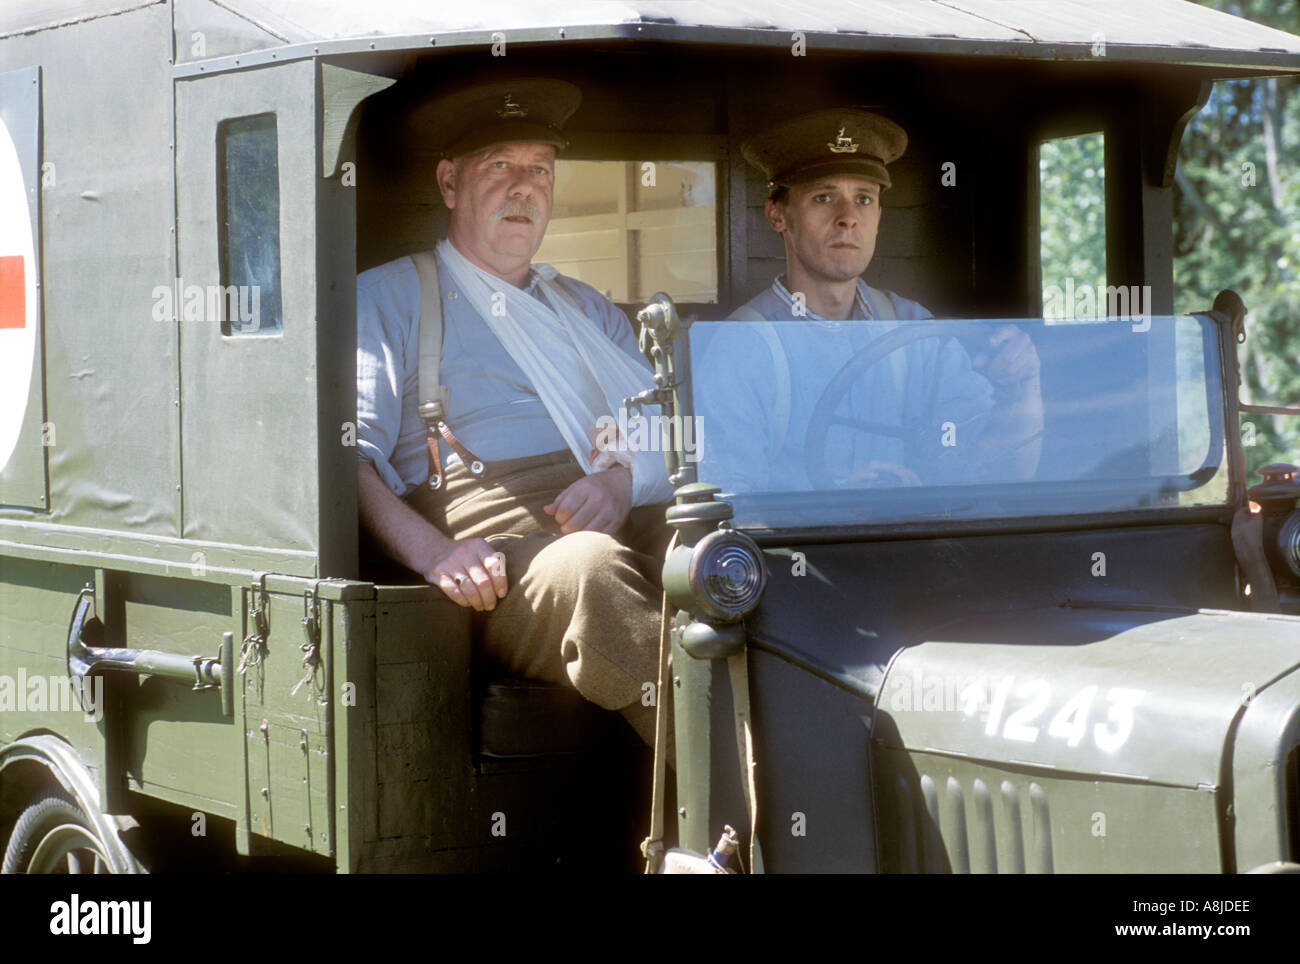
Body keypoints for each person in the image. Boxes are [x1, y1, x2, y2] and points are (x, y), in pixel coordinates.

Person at [355, 78, 672, 746]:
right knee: (590, 571)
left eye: (539, 170)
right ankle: (748, 821)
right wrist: (438, 556)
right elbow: (350, 459)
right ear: (449, 183)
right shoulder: (391, 297)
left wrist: (620, 480)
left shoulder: (586, 308)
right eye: (500, 166)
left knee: (730, 554)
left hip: (620, 518)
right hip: (500, 561)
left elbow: (657, 433)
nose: (523, 187)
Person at [701, 108, 1044, 492]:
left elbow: (996, 473)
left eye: (863, 199)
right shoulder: (742, 347)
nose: (847, 217)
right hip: (796, 553)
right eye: (824, 197)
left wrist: (1022, 389)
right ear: (777, 215)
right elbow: (730, 509)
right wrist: (836, 505)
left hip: (909, 547)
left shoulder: (916, 331)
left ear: (879, 216)